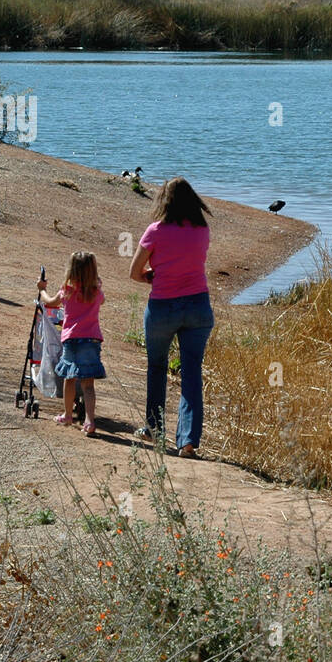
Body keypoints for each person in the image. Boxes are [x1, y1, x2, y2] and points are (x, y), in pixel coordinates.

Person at [129, 177, 214, 459]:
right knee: (191, 372)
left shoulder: (155, 230)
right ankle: (187, 442)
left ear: (164, 201)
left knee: (157, 366)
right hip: (198, 306)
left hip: (163, 306)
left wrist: (152, 276)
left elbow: (134, 272)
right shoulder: (202, 229)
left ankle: (154, 428)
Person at [37, 251, 105, 437]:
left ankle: (68, 415)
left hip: (72, 339)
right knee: (88, 384)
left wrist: (42, 289)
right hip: (91, 340)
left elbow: (50, 302)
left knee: (69, 378)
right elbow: (102, 300)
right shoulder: (96, 292)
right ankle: (90, 421)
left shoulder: (67, 290)